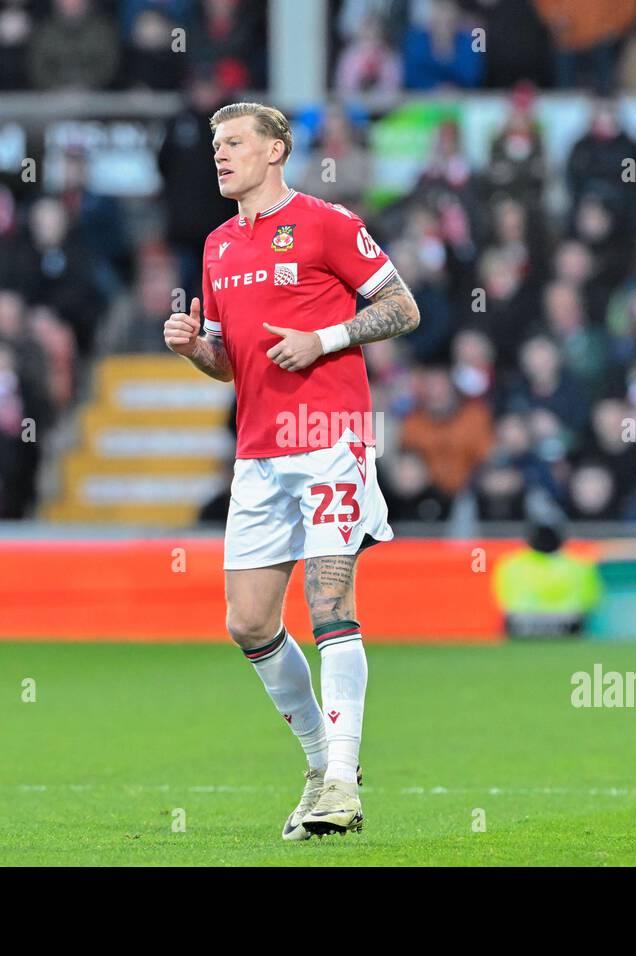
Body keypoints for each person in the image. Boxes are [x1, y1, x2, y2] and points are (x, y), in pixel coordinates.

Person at [162, 102, 420, 841]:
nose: (221, 154)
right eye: (216, 145)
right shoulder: (216, 248)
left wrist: (326, 337)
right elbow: (229, 361)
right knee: (247, 621)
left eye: (235, 142)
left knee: (329, 601)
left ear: (275, 150)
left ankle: (342, 779)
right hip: (259, 452)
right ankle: (317, 764)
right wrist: (192, 349)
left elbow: (403, 306)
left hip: (331, 436)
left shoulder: (327, 223)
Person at [492, 491, 602, 637]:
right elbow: (590, 601)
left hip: (529, 626)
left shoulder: (511, 564)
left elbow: (505, 601)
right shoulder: (579, 565)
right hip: (563, 626)